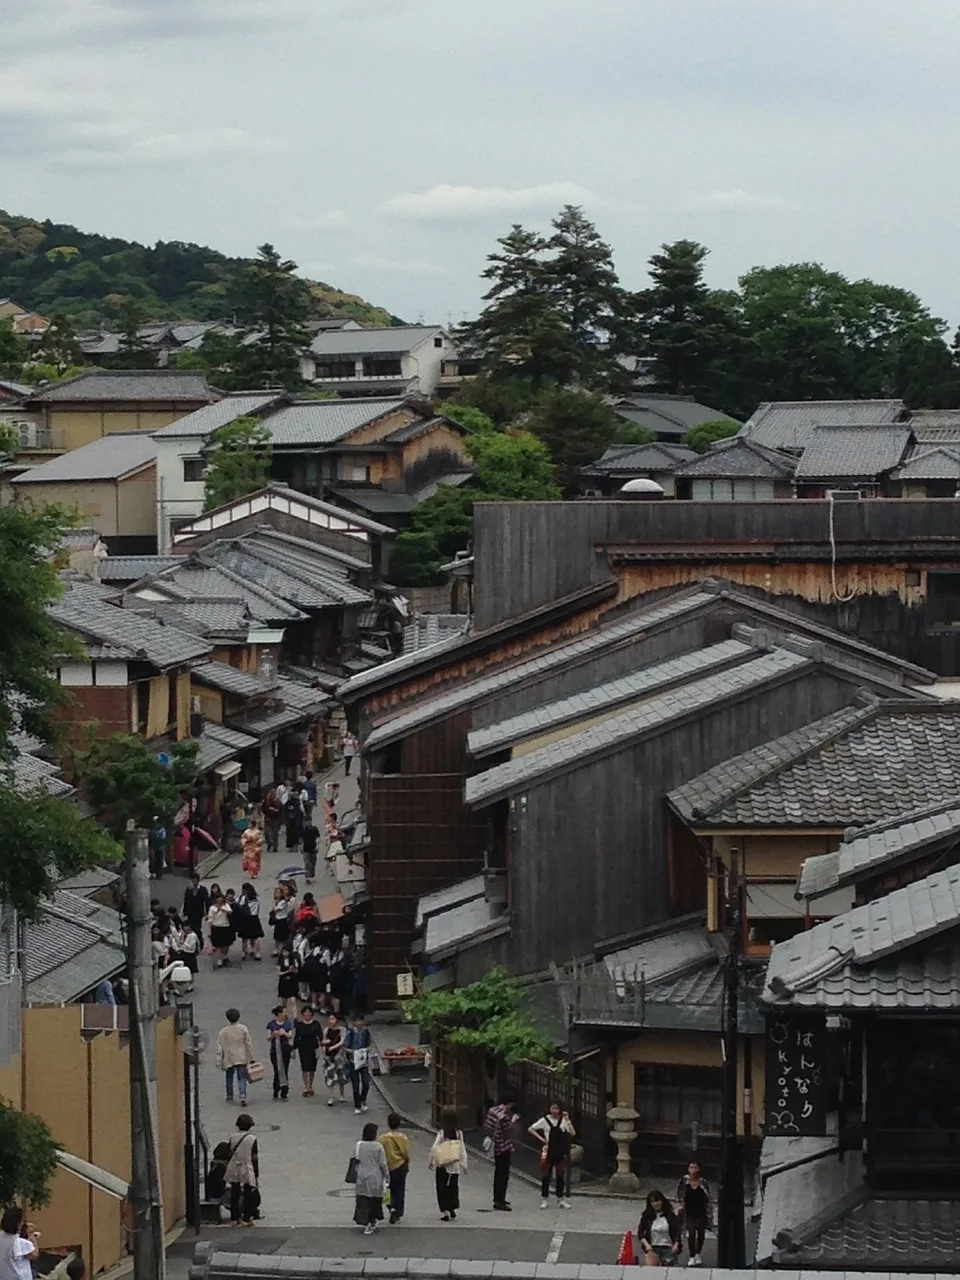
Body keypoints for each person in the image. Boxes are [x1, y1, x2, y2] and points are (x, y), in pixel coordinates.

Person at [529, 1102, 575, 1210]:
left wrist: (568, 1120)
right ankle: (544, 1199)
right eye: (553, 1108)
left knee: (560, 1176)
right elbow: (531, 1129)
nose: (555, 1111)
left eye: (557, 1109)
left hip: (560, 1151)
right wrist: (542, 1140)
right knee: (546, 1176)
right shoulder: (544, 1120)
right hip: (549, 1151)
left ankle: (561, 1199)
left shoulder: (563, 1121)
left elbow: (572, 1133)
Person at [429, 1110, 467, 1222]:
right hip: (454, 1166)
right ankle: (452, 1207)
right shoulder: (459, 1133)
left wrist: (431, 1160)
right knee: (453, 1188)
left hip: (442, 1165)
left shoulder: (442, 1133)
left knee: (442, 1188)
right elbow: (462, 1149)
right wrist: (464, 1164)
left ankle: (445, 1212)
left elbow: (434, 1148)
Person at [352, 1121, 389, 1236]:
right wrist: (387, 1176)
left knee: (363, 1200)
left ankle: (365, 1220)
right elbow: (383, 1163)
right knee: (374, 1200)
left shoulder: (359, 1145)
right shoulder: (378, 1146)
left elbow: (356, 1159)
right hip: (375, 1176)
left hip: (361, 1176)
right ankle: (372, 1221)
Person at [224, 1112, 259, 1227]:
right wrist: (256, 1173)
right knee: (248, 1192)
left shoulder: (233, 1137)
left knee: (235, 1192)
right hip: (247, 1166)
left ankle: (235, 1218)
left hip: (234, 1165)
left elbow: (229, 1152)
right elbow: (254, 1157)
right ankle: (247, 1217)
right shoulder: (252, 1139)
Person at [484, 1098, 519, 1211]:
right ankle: (499, 1200)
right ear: (509, 1104)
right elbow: (508, 1130)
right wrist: (513, 1120)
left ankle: (498, 1198)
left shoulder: (492, 1111)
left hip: (495, 1144)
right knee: (503, 1175)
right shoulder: (504, 1117)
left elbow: (487, 1126)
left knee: (498, 1173)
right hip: (503, 1146)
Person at [216, 1008, 254, 1106]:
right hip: (241, 1056)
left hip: (228, 1057)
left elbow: (219, 1047)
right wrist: (251, 1057)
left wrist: (219, 1060)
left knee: (229, 1077)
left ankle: (229, 1095)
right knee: (241, 1077)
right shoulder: (243, 1028)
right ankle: (242, 1095)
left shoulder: (223, 1031)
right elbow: (248, 1044)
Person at [676, 1162, 711, 1267]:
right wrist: (680, 1206)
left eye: (695, 1167)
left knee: (701, 1233)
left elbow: (708, 1197)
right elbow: (679, 1194)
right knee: (691, 1233)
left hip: (701, 1211)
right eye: (691, 1167)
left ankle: (698, 1253)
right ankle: (691, 1255)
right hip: (689, 1212)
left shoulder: (703, 1182)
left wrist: (710, 1213)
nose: (693, 1170)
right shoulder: (684, 1181)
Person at [380, 1112, 411, 1224]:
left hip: (388, 1167)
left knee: (388, 1189)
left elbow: (381, 1153)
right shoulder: (404, 1138)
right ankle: (398, 1212)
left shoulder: (383, 1138)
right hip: (400, 1166)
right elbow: (406, 1153)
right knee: (400, 1189)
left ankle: (391, 1207)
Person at [639, 1190, 682, 1267]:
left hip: (668, 1247)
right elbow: (640, 1232)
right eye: (653, 1202)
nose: (656, 1204)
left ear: (662, 1201)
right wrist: (646, 1244)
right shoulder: (647, 1216)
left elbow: (677, 1231)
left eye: (657, 1201)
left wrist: (676, 1244)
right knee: (651, 1267)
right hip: (653, 1248)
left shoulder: (670, 1215)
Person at [0, 1206, 40, 1280]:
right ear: (18, 1224)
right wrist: (32, 1236)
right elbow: (35, 1255)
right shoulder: (19, 1243)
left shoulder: (1, 1236)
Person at [292, 1004, 323, 1097]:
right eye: (305, 1013)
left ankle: (311, 1085)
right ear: (303, 1014)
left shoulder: (316, 1024)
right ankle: (306, 1086)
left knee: (312, 1068)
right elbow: (297, 1037)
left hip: (313, 1047)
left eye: (309, 1012)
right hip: (303, 1048)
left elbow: (320, 1036)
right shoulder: (300, 1025)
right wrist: (293, 1048)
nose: (307, 1014)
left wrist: (322, 1046)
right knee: (305, 1067)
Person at [345, 1015, 372, 1114]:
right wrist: (353, 1052)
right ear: (354, 1023)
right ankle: (357, 1105)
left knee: (366, 1083)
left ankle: (363, 1099)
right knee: (355, 1085)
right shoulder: (350, 1033)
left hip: (363, 1062)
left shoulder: (366, 1032)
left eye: (361, 1021)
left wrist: (366, 1050)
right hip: (353, 1062)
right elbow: (345, 1047)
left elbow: (369, 1045)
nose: (360, 1023)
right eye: (357, 1021)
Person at [266, 1004, 293, 1101]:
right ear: (279, 1014)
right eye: (284, 1012)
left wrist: (284, 1033)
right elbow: (268, 1037)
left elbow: (290, 1035)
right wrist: (273, 1034)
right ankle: (276, 1089)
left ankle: (285, 1090)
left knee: (285, 1069)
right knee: (277, 1070)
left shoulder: (287, 1024)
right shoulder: (271, 1024)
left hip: (285, 1050)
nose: (285, 1014)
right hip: (275, 1050)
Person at [323, 1012, 348, 1106]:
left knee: (340, 1074)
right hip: (328, 1056)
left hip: (339, 1055)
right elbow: (323, 1041)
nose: (331, 1021)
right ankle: (331, 1096)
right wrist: (325, 1044)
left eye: (333, 1019)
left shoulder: (342, 1030)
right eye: (330, 1019)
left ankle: (342, 1094)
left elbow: (342, 1040)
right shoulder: (326, 1030)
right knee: (330, 1076)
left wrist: (334, 1047)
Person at [236, 883, 264, 961]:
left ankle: (244, 952)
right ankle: (256, 952)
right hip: (254, 918)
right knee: (255, 937)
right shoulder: (257, 897)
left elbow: (239, 905)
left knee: (245, 938)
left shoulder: (243, 897)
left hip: (245, 918)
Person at [207, 892, 234, 968]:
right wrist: (210, 931)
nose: (219, 901)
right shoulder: (212, 908)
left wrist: (221, 908)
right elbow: (210, 920)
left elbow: (230, 911)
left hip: (226, 927)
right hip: (216, 927)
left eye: (221, 900)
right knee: (218, 945)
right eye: (218, 900)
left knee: (226, 945)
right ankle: (219, 960)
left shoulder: (226, 905)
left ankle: (224, 957)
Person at [277, 945, 300, 1023]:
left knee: (293, 1000)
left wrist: (293, 969)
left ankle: (295, 1017)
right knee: (284, 1002)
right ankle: (283, 1014)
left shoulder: (293, 960)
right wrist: (288, 971)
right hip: (284, 982)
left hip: (292, 981)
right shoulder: (280, 961)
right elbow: (279, 973)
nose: (284, 953)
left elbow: (296, 971)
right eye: (283, 952)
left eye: (286, 952)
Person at [183, 873, 209, 940]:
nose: (194, 882)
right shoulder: (189, 889)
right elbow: (186, 900)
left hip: (198, 912)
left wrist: (207, 912)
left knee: (197, 927)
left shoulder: (203, 889)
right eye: (193, 880)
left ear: (198, 880)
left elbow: (206, 901)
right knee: (190, 927)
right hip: (190, 912)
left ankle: (199, 940)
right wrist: (184, 912)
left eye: (195, 880)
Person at [270, 885, 294, 954]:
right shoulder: (277, 901)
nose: (277, 894)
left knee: (283, 937)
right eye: (276, 893)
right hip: (277, 920)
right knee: (276, 937)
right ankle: (276, 949)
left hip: (282, 920)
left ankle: (282, 949)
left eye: (279, 893)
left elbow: (276, 910)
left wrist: (274, 907)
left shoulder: (283, 902)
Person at [262, 788, 282, 853]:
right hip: (268, 818)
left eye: (274, 793)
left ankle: (275, 847)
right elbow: (263, 809)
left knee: (275, 833)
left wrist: (276, 810)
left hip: (276, 819)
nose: (272, 795)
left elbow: (281, 809)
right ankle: (270, 843)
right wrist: (268, 809)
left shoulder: (278, 801)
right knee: (266, 832)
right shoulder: (266, 801)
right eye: (271, 793)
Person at [302, 816, 320, 884]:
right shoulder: (303, 829)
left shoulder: (314, 829)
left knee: (313, 863)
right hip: (305, 849)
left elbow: (317, 837)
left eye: (308, 821)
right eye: (306, 821)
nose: (307, 823)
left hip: (313, 849)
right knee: (307, 864)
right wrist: (301, 847)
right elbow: (301, 839)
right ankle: (307, 877)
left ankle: (312, 874)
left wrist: (317, 846)